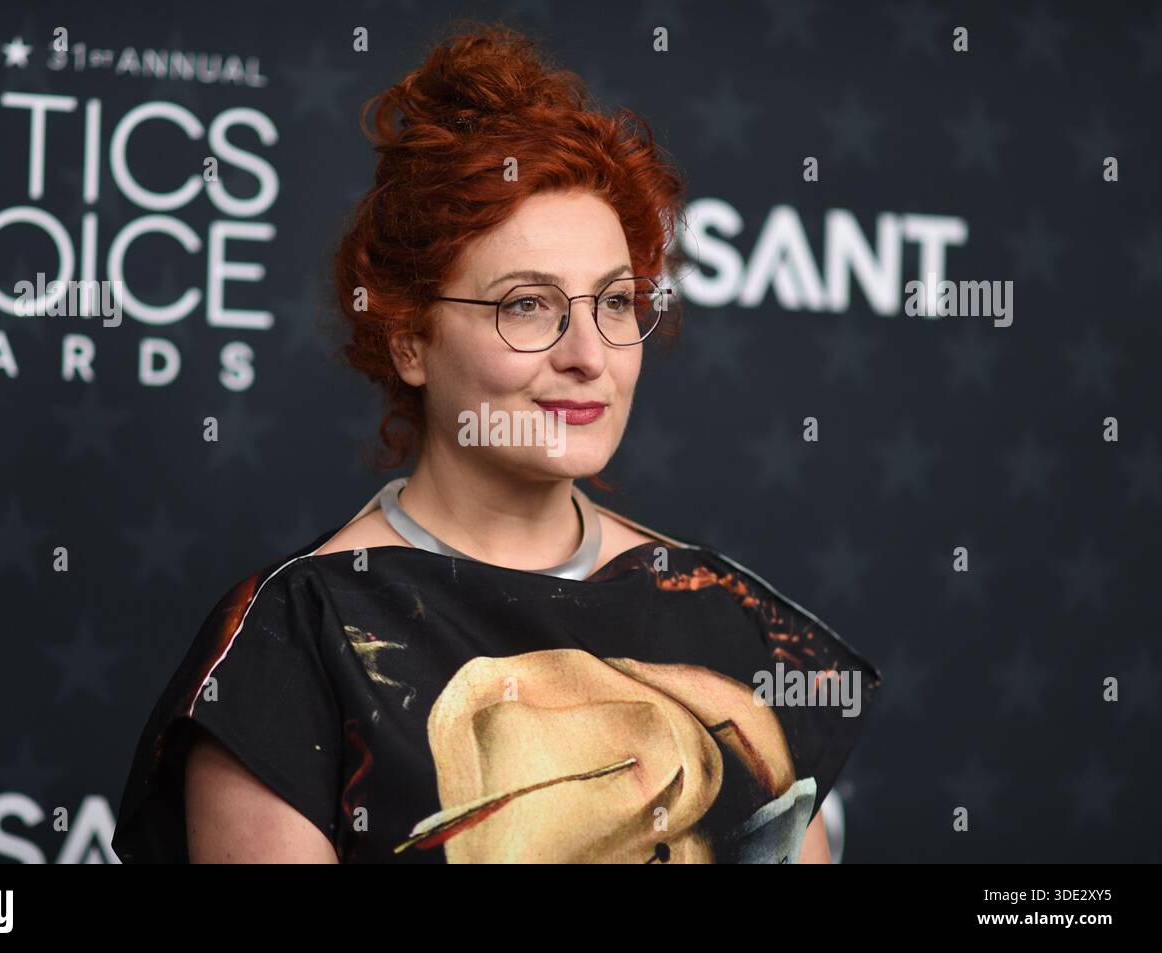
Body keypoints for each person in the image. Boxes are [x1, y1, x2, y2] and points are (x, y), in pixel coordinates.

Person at [110, 21, 881, 864]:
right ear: (409, 339)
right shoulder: (295, 642)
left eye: (614, 303)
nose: (587, 356)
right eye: (527, 305)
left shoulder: (734, 623)